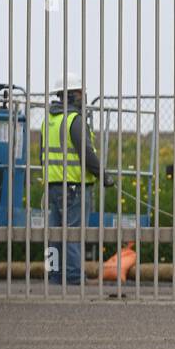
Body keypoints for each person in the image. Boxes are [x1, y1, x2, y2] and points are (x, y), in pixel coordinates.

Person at [41, 73, 113, 285]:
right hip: (74, 186)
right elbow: (87, 154)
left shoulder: (49, 121)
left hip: (53, 185)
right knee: (73, 232)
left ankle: (53, 274)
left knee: (54, 232)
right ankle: (73, 277)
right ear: (71, 96)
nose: (83, 97)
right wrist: (104, 176)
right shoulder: (74, 120)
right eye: (80, 94)